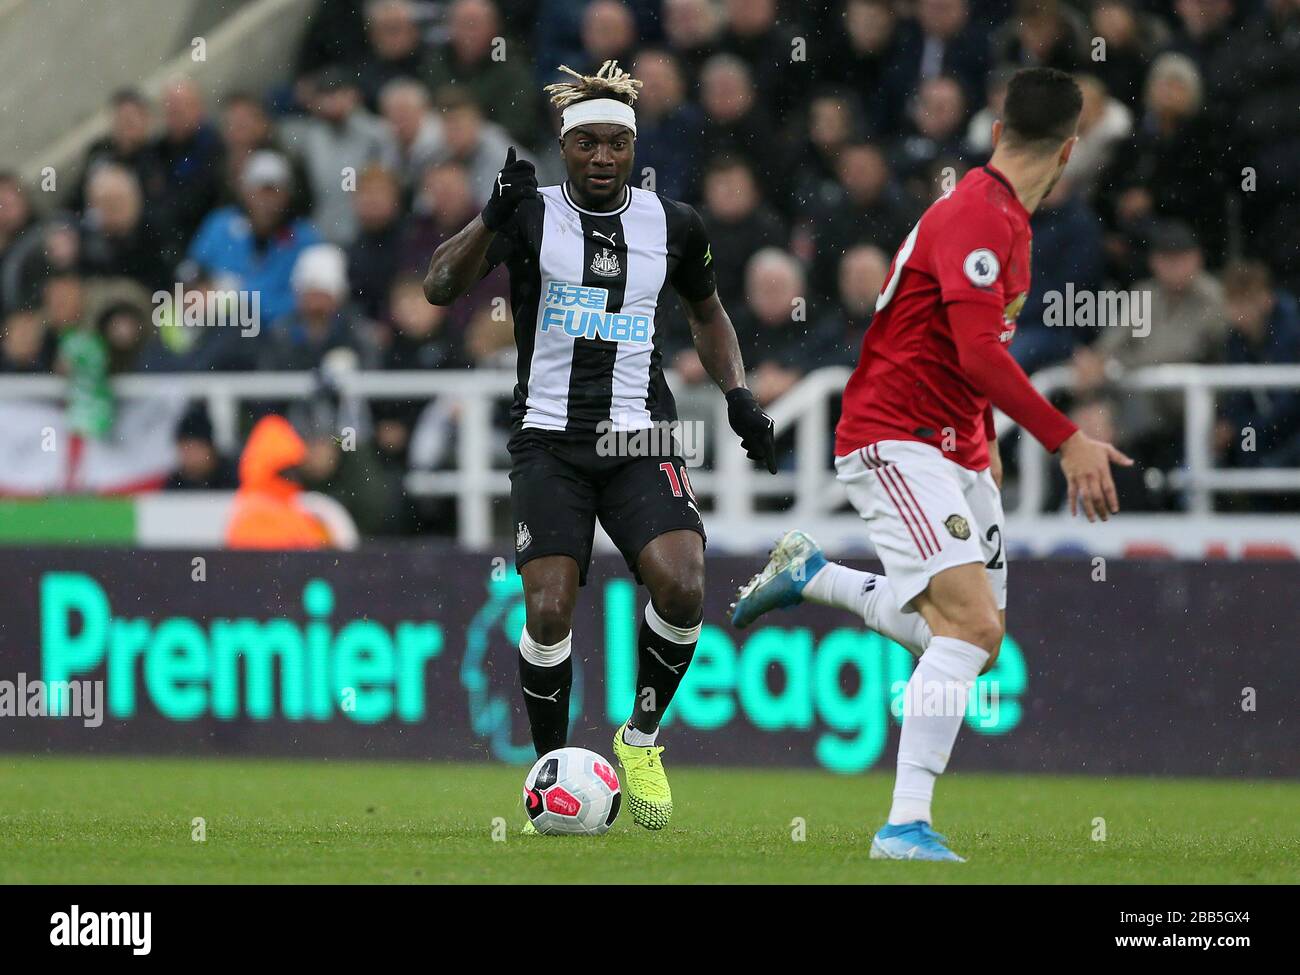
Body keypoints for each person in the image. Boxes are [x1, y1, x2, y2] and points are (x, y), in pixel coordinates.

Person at [730, 68, 1132, 862]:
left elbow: (963, 353)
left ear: (994, 129)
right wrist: (1065, 438)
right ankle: (902, 824)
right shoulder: (980, 217)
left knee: (972, 639)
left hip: (953, 448)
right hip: (894, 436)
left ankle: (817, 576)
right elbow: (979, 351)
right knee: (970, 624)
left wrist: (982, 458)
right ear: (1072, 149)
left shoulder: (1003, 218)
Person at [423, 60, 776, 832]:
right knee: (549, 606)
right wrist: (487, 218)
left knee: (682, 583)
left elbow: (709, 314)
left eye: (617, 143)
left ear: (632, 147)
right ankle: (551, 770)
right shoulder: (528, 214)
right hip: (549, 437)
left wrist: (739, 396)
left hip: (639, 431)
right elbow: (439, 288)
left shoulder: (675, 223)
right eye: (588, 145)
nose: (603, 158)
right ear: (565, 145)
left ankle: (641, 738)